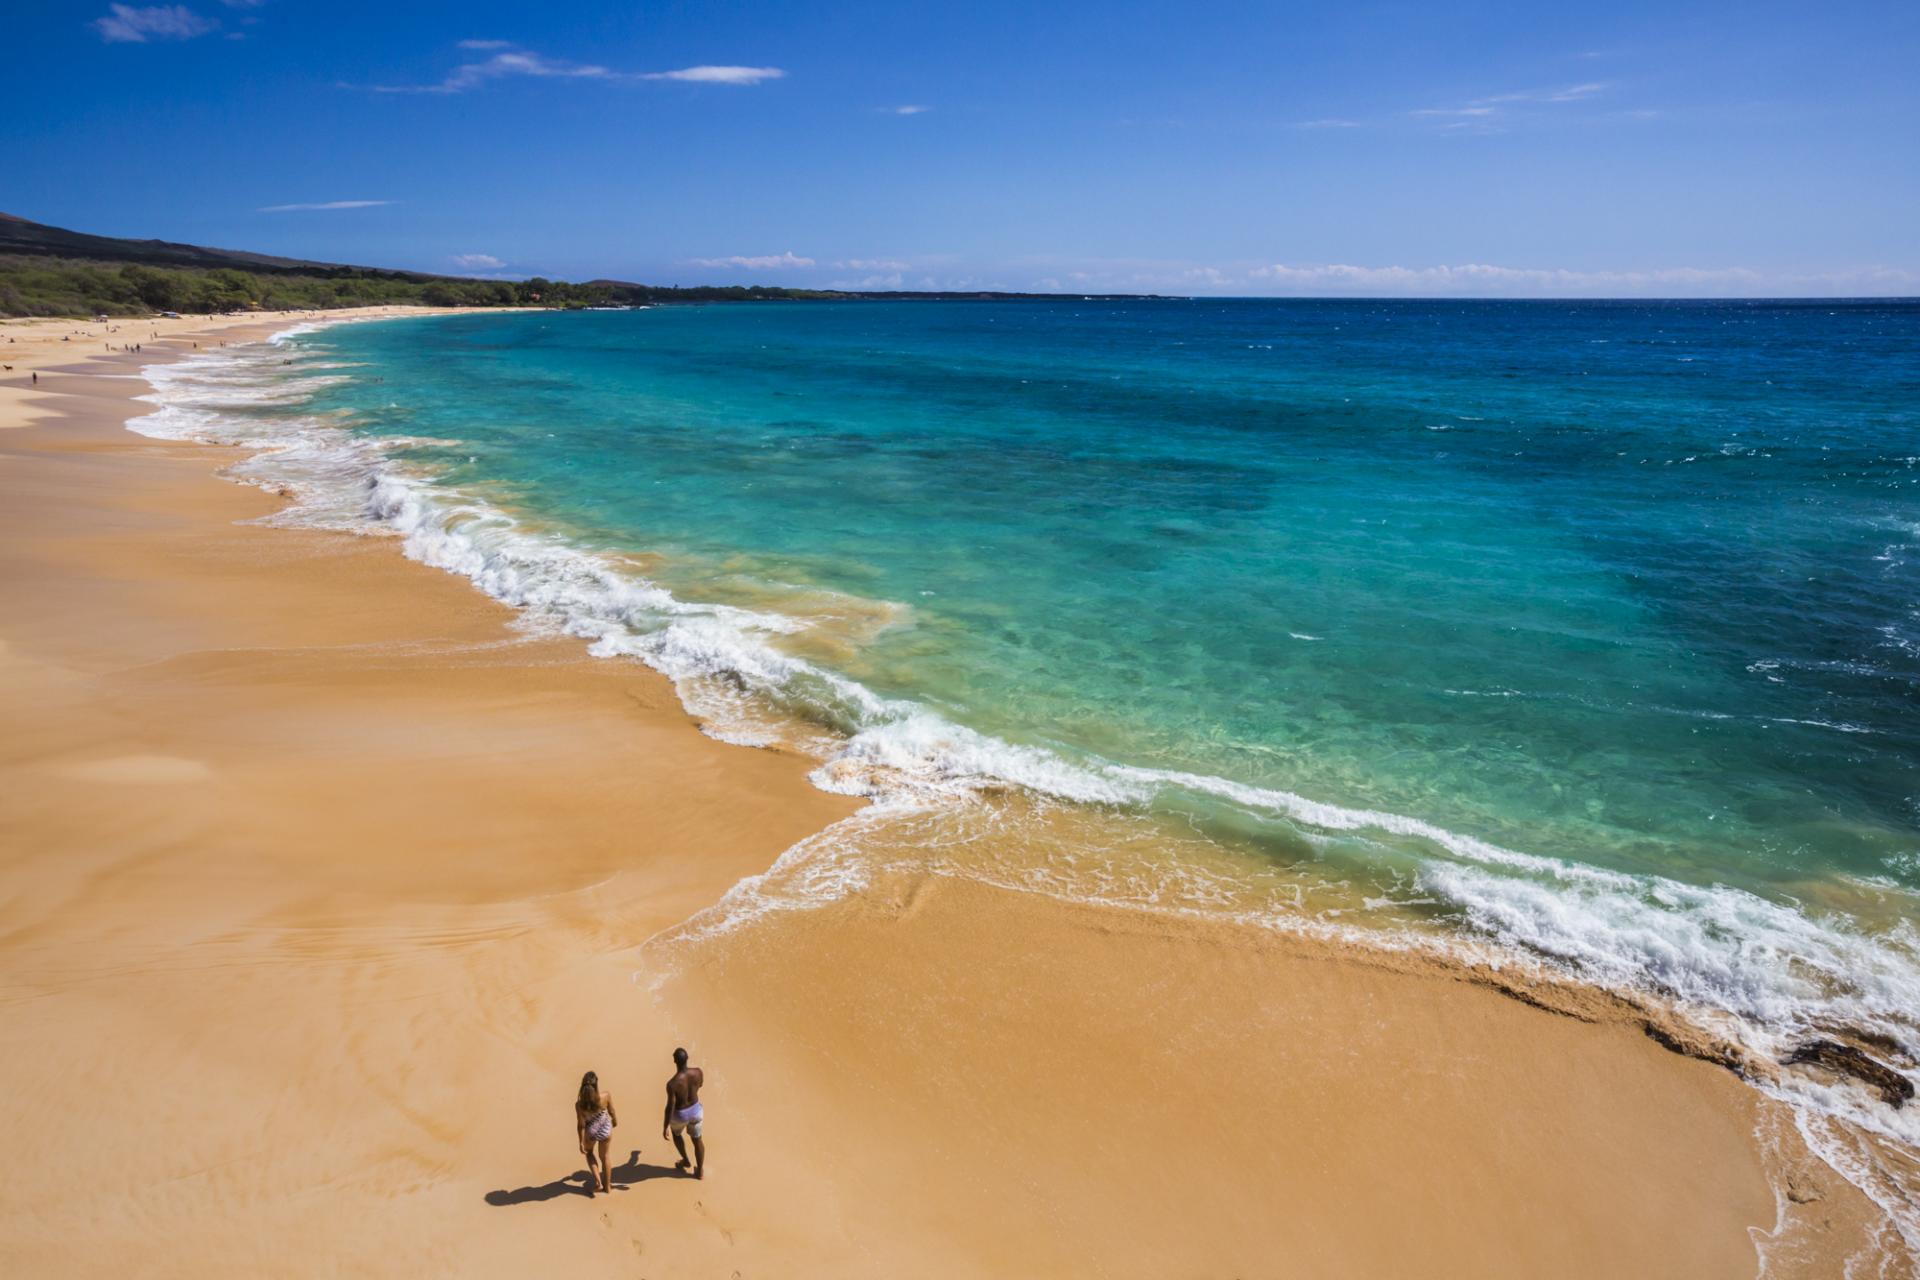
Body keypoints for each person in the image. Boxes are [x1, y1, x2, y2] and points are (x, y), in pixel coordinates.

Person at [662, 1048, 705, 1179]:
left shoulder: (672, 1084)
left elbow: (670, 1107)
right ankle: (700, 1171)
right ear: (687, 1058)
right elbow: (700, 1085)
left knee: (676, 1135)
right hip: (696, 1111)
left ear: (674, 1061)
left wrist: (665, 1126)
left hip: (680, 1115)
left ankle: (685, 1160)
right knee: (697, 1140)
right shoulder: (698, 1072)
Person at [575, 1070, 617, 1195]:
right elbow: (612, 1111)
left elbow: (581, 1125)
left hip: (591, 1132)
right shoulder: (605, 1096)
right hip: (605, 1129)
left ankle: (598, 1182)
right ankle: (607, 1188)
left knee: (589, 1153)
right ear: (596, 1085)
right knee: (605, 1157)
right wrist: (615, 1120)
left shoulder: (579, 1105)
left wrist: (580, 1142)